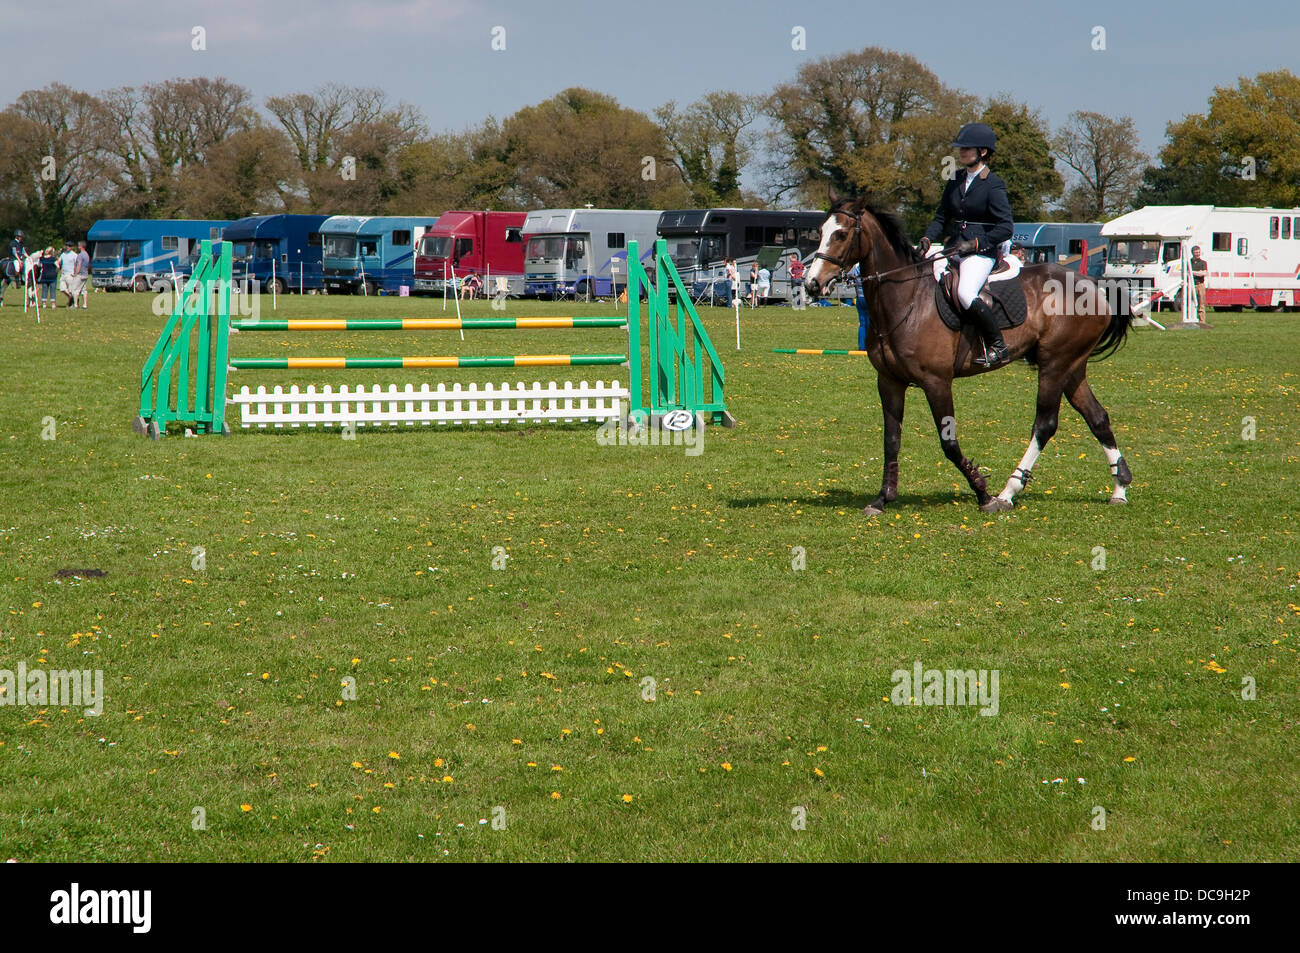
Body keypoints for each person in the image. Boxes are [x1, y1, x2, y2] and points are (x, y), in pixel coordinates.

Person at [918, 122, 1015, 367]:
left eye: (966, 148)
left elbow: (1005, 227)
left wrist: (975, 244)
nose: (960, 152)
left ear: (982, 152)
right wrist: (928, 238)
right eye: (960, 148)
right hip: (954, 247)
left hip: (981, 252)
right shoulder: (954, 179)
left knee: (965, 292)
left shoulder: (993, 183)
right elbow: (942, 216)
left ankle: (998, 346)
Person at [1189, 245, 1209, 326]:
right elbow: (1186, 272)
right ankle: (1190, 319)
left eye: (1198, 252)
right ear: (1192, 253)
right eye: (1196, 252)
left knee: (1201, 303)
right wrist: (1198, 272)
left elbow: (1204, 273)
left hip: (1200, 285)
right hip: (1191, 284)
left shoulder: (1203, 262)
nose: (1197, 254)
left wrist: (1193, 272)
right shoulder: (1189, 262)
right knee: (1190, 303)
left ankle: (1202, 321)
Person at [58, 242, 78, 308]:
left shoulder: (74, 255)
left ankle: (72, 303)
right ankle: (70, 297)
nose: (67, 247)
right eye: (66, 245)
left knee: (71, 289)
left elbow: (77, 264)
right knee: (62, 288)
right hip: (63, 274)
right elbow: (59, 262)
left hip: (70, 274)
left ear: (71, 247)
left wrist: (75, 273)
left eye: (69, 246)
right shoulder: (63, 254)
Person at [74, 240, 91, 308]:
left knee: (75, 289)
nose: (78, 247)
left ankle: (75, 304)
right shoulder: (86, 254)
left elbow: (79, 264)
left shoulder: (80, 255)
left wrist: (76, 273)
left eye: (78, 246)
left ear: (81, 246)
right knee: (84, 290)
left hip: (80, 274)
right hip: (85, 274)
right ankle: (85, 304)